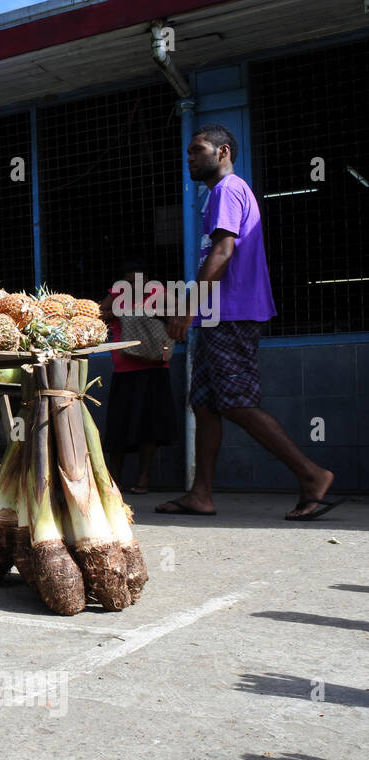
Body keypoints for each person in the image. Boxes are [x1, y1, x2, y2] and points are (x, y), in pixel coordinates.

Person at [157, 124, 336, 520]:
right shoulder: (220, 194)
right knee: (203, 404)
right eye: (187, 152)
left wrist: (188, 307)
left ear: (222, 152)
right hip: (218, 314)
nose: (189, 157)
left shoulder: (227, 190)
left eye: (196, 150)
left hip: (232, 312)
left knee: (236, 404)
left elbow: (222, 252)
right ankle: (200, 494)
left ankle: (311, 475)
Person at [101, 261, 176, 494]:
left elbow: (178, 314)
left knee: (149, 427)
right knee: (118, 427)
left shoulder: (160, 294)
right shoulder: (116, 298)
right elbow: (100, 313)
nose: (136, 286)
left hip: (154, 368)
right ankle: (115, 480)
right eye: (130, 282)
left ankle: (143, 479)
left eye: (140, 281)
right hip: (124, 371)